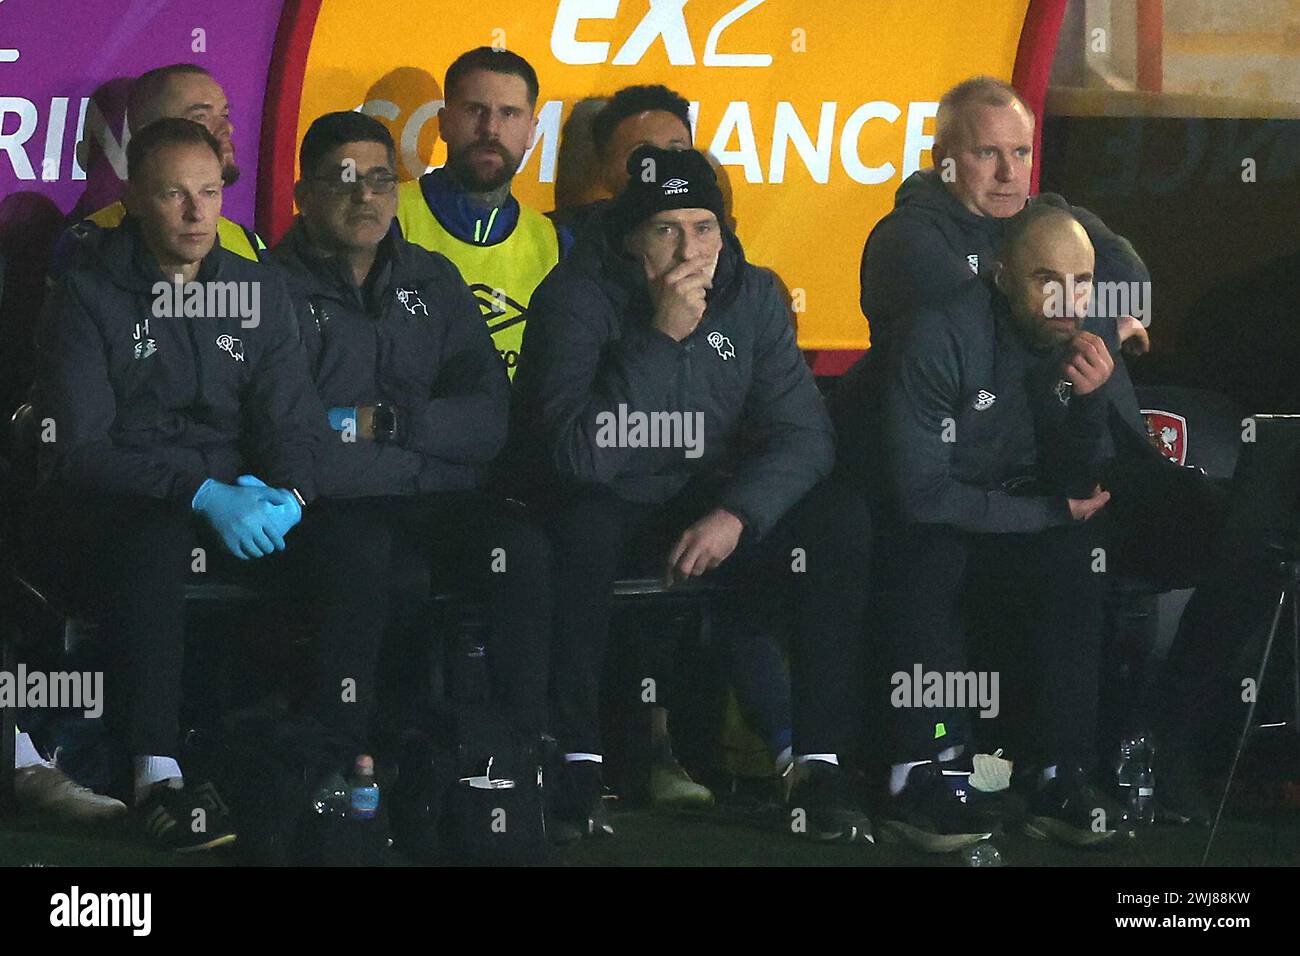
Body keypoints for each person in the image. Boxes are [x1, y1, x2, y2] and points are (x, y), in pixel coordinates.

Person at [511, 146, 872, 843]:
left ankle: (819, 765)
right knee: (576, 525)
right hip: (608, 498)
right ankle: (576, 762)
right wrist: (660, 339)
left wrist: (737, 514)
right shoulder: (576, 297)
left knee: (838, 519)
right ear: (630, 239)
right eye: (665, 230)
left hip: (709, 507)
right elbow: (577, 458)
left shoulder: (755, 295)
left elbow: (806, 437)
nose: (689, 250)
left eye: (703, 227)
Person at [31, 118, 326, 850]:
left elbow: (295, 421)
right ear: (133, 199)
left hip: (243, 497)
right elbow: (78, 452)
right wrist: (200, 492)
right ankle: (156, 774)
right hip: (129, 505)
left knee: (361, 550)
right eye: (173, 195)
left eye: (210, 192)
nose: (198, 214)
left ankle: (335, 757)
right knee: (155, 542)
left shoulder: (260, 288)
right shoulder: (89, 294)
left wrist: (289, 496)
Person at [269, 110, 552, 753]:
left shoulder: (434, 278)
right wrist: (415, 442)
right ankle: (346, 757)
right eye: (344, 180)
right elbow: (290, 432)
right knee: (378, 561)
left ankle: (518, 758)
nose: (366, 196)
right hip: (327, 508)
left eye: (379, 179)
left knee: (523, 553)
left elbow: (489, 416)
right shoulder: (266, 290)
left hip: (438, 498)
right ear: (303, 194)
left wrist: (389, 424)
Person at [871, 203, 1133, 850]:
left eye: (1083, 282)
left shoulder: (1084, 338)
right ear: (1001, 275)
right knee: (935, 555)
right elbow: (921, 495)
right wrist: (1046, 512)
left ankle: (1055, 773)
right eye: (1049, 280)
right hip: (908, 510)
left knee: (1079, 555)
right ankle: (922, 773)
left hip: (1006, 510)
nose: (1069, 300)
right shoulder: (942, 333)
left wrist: (1094, 402)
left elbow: (1082, 483)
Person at [396, 47, 569, 378]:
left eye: (509, 114)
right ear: (444, 123)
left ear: (532, 131)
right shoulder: (388, 217)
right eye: (475, 110)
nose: (491, 129)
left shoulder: (556, 242)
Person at [52, 64, 264, 277]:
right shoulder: (88, 245)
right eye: (200, 117)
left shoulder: (250, 242)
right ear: (150, 134)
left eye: (224, 115)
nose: (227, 128)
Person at [550, 83, 694, 237]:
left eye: (676, 151)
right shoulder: (561, 244)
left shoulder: (718, 242)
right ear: (606, 172)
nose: (662, 165)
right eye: (642, 153)